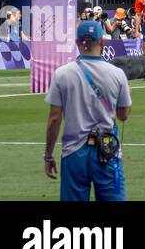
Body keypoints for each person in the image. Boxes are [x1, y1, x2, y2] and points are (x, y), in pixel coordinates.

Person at [44, 20, 133, 201]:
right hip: (106, 149)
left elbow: (54, 119)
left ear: (77, 43)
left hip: (73, 151)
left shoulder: (62, 74)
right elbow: (123, 115)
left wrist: (48, 155)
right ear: (102, 42)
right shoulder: (117, 74)